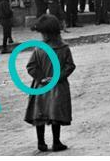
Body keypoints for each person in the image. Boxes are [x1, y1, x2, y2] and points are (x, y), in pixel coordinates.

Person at [24, 14, 76, 153]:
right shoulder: (64, 48)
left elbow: (31, 67)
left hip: (40, 87)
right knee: (55, 116)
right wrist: (57, 77)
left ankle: (41, 142)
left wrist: (41, 78)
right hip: (58, 87)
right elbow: (70, 66)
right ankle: (56, 142)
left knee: (39, 115)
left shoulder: (39, 49)